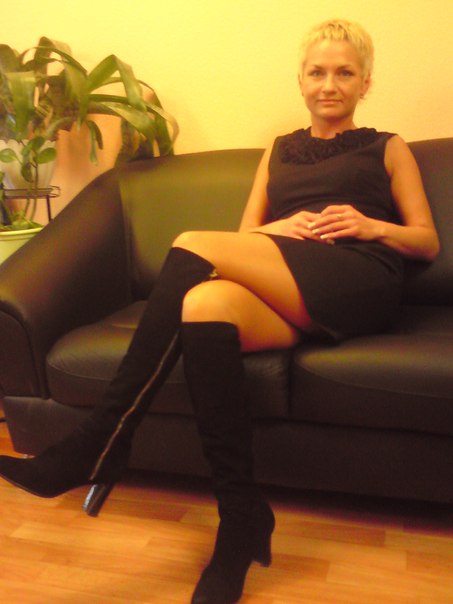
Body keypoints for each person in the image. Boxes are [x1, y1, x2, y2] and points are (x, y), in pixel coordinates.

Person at [0, 18, 439, 604]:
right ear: (301, 80)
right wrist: (278, 228)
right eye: (317, 72)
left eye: (345, 73)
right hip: (289, 275)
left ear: (366, 83)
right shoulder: (279, 150)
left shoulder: (387, 147)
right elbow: (246, 234)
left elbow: (426, 241)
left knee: (190, 242)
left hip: (359, 276)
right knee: (203, 303)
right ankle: (241, 516)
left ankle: (98, 441)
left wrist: (370, 225)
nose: (329, 84)